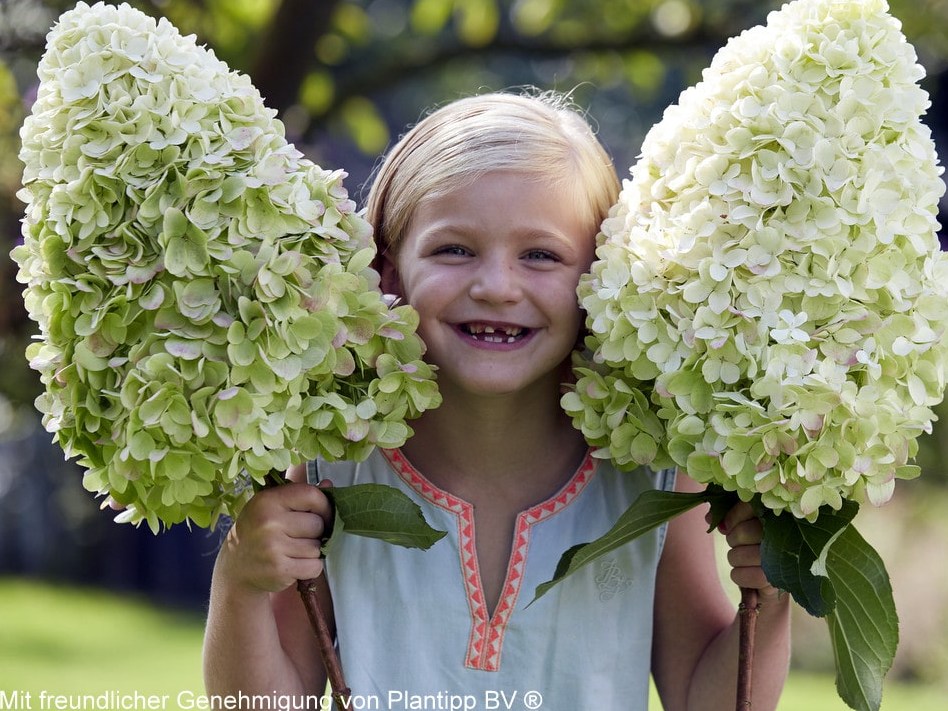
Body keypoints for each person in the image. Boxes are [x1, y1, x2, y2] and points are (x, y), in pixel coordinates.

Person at [203, 90, 791, 710]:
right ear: (389, 271)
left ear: (602, 277)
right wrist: (241, 581)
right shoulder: (338, 464)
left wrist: (772, 598)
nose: (495, 287)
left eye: (540, 255)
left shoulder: (650, 476)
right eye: (453, 249)